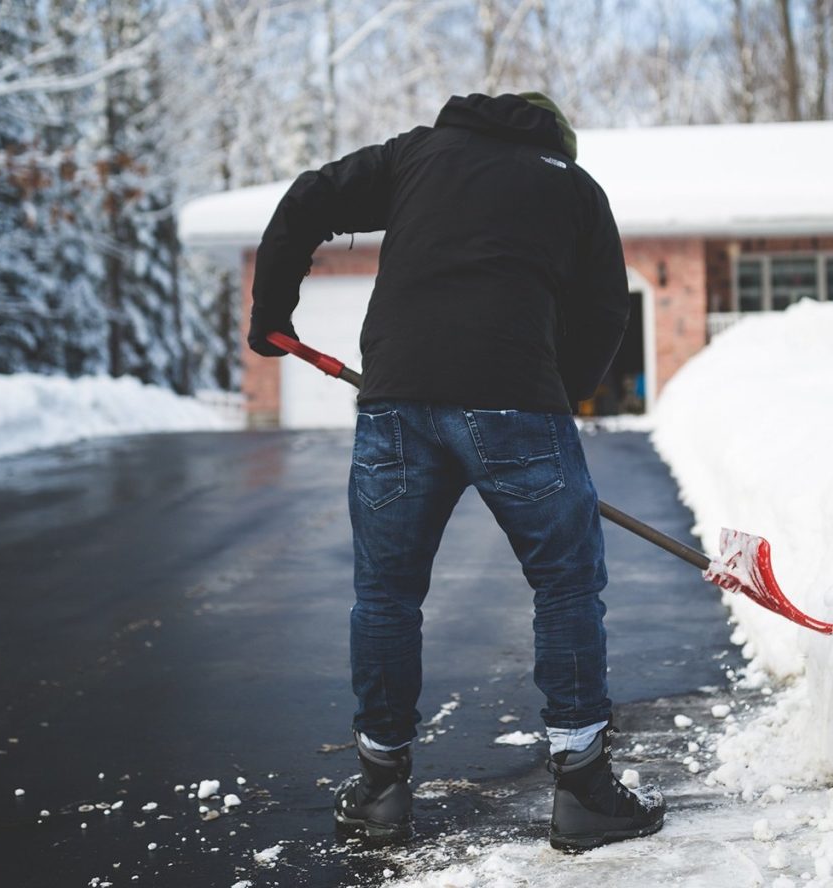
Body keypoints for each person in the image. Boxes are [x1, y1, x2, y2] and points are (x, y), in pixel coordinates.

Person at [248, 92, 665, 852]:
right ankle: (582, 791)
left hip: (397, 401)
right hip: (515, 402)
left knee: (386, 594)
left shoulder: (416, 156)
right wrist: (548, 392)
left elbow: (310, 196)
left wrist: (270, 308)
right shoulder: (572, 187)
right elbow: (606, 309)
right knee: (566, 583)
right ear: (558, 141)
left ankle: (379, 788)